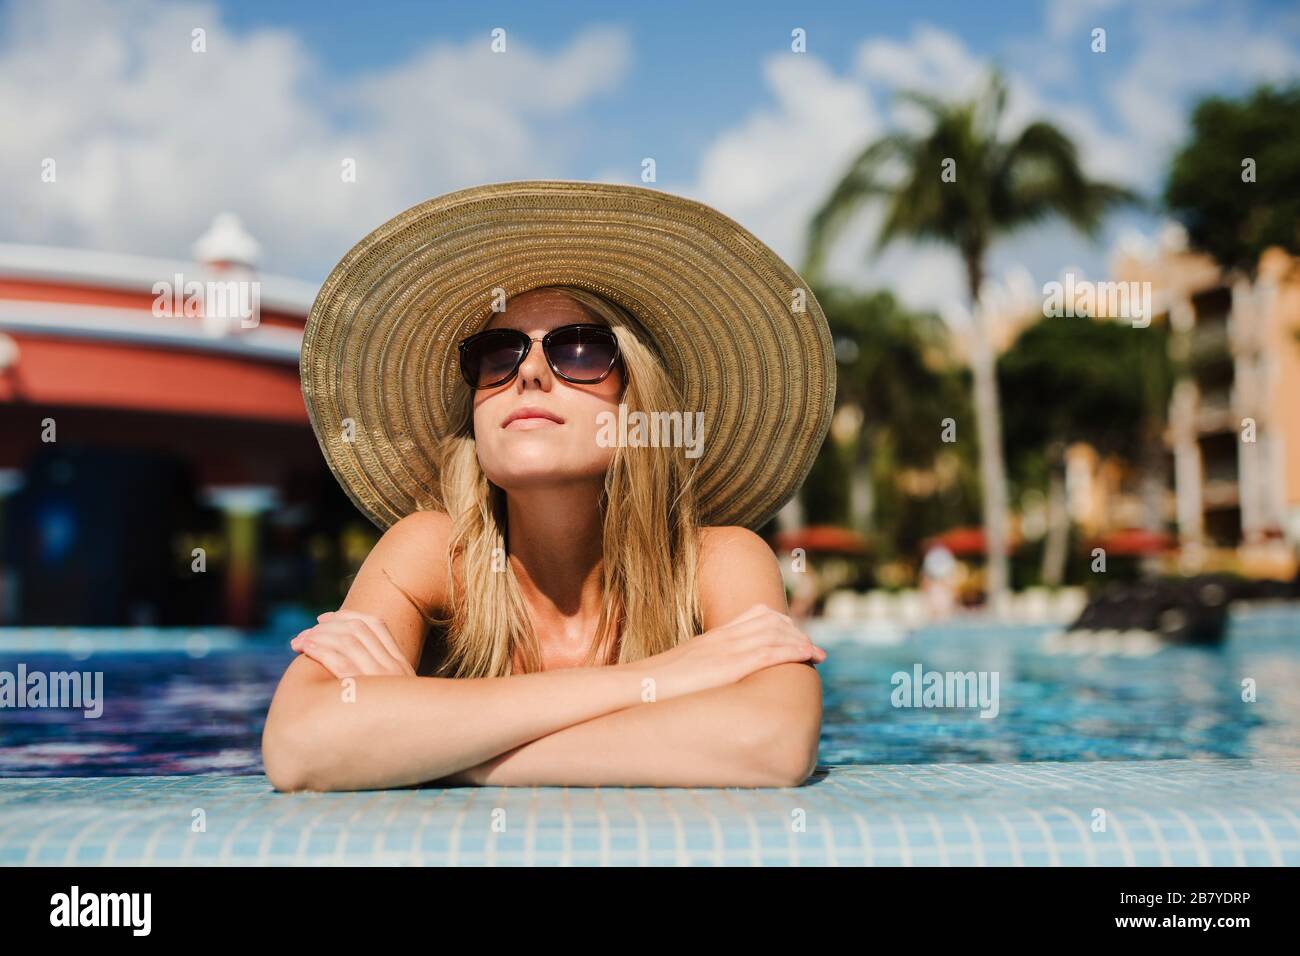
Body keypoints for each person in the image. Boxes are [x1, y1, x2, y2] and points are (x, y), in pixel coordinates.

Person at [262, 181, 837, 791]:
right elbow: (300, 746)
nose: (530, 371)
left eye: (581, 351)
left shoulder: (717, 560)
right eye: (496, 354)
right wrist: (665, 678)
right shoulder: (433, 551)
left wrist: (432, 750)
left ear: (638, 403)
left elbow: (772, 743)